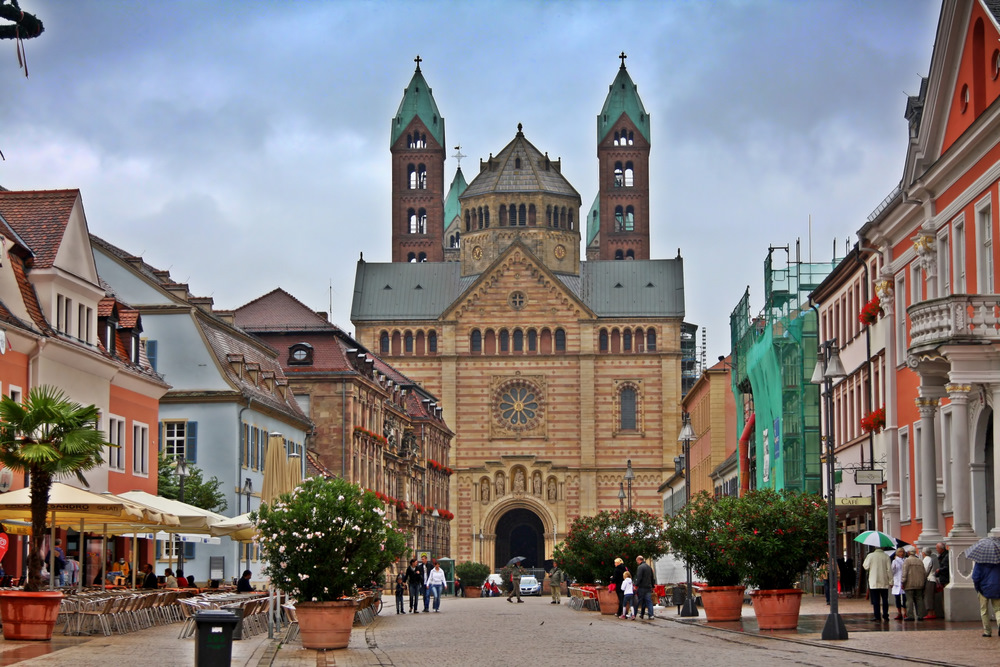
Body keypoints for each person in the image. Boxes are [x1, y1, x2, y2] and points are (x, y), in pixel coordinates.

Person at [862, 546, 892, 622]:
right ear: (883, 548)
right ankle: (885, 615)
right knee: (885, 599)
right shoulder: (886, 556)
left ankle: (877, 616)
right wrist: (891, 581)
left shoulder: (870, 555)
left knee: (876, 600)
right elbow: (889, 570)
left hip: (873, 581)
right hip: (884, 581)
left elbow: (865, 566)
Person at [972, 558, 1000, 637]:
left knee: (984, 610)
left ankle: (987, 631)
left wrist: (977, 588)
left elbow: (975, 577)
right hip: (997, 588)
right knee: (998, 609)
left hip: (983, 589)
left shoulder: (980, 562)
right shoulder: (998, 560)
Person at [900, 545, 926, 621]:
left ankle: (910, 615)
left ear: (908, 553)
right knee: (919, 599)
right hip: (919, 583)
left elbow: (904, 573)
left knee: (909, 600)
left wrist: (902, 582)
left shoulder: (907, 561)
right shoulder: (920, 561)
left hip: (909, 583)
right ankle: (920, 615)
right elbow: (924, 573)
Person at [634, 555, 655, 620]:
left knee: (639, 601)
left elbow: (639, 577)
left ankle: (634, 614)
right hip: (648, 587)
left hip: (642, 587)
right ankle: (650, 615)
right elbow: (652, 577)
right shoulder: (649, 567)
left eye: (637, 561)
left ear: (638, 560)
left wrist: (636, 585)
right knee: (648, 601)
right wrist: (652, 585)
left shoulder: (640, 567)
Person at [922, 546, 940, 619]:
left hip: (929, 579)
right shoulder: (931, 559)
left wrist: (923, 578)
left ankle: (930, 613)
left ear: (923, 553)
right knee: (930, 596)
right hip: (932, 579)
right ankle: (932, 612)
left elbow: (926, 570)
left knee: (928, 596)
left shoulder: (926, 559)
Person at [891, 547, 907, 619]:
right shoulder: (894, 561)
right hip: (897, 581)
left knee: (904, 598)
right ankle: (899, 613)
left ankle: (905, 613)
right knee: (897, 598)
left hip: (904, 581)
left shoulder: (906, 560)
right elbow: (892, 571)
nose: (902, 553)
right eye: (900, 552)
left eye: (903, 552)